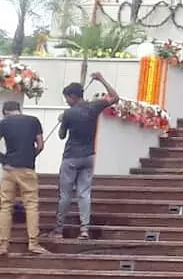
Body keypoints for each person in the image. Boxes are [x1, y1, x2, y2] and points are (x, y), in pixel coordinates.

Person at [57, 73, 118, 239]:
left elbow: (62, 135)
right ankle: (84, 229)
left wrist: (62, 119)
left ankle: (58, 230)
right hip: (89, 156)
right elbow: (115, 97)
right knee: (84, 194)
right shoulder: (95, 106)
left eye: (67, 98)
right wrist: (102, 79)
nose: (66, 101)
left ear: (73, 96)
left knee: (65, 195)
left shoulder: (69, 113)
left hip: (71, 157)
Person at [1, 100, 48, 256]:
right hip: (27, 170)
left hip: (9, 170)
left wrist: (5, 160)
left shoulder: (3, 123)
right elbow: (40, 145)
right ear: (19, 109)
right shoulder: (33, 121)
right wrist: (29, 157)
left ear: (5, 112)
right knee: (31, 205)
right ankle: (33, 243)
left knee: (6, 206)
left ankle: (3, 245)